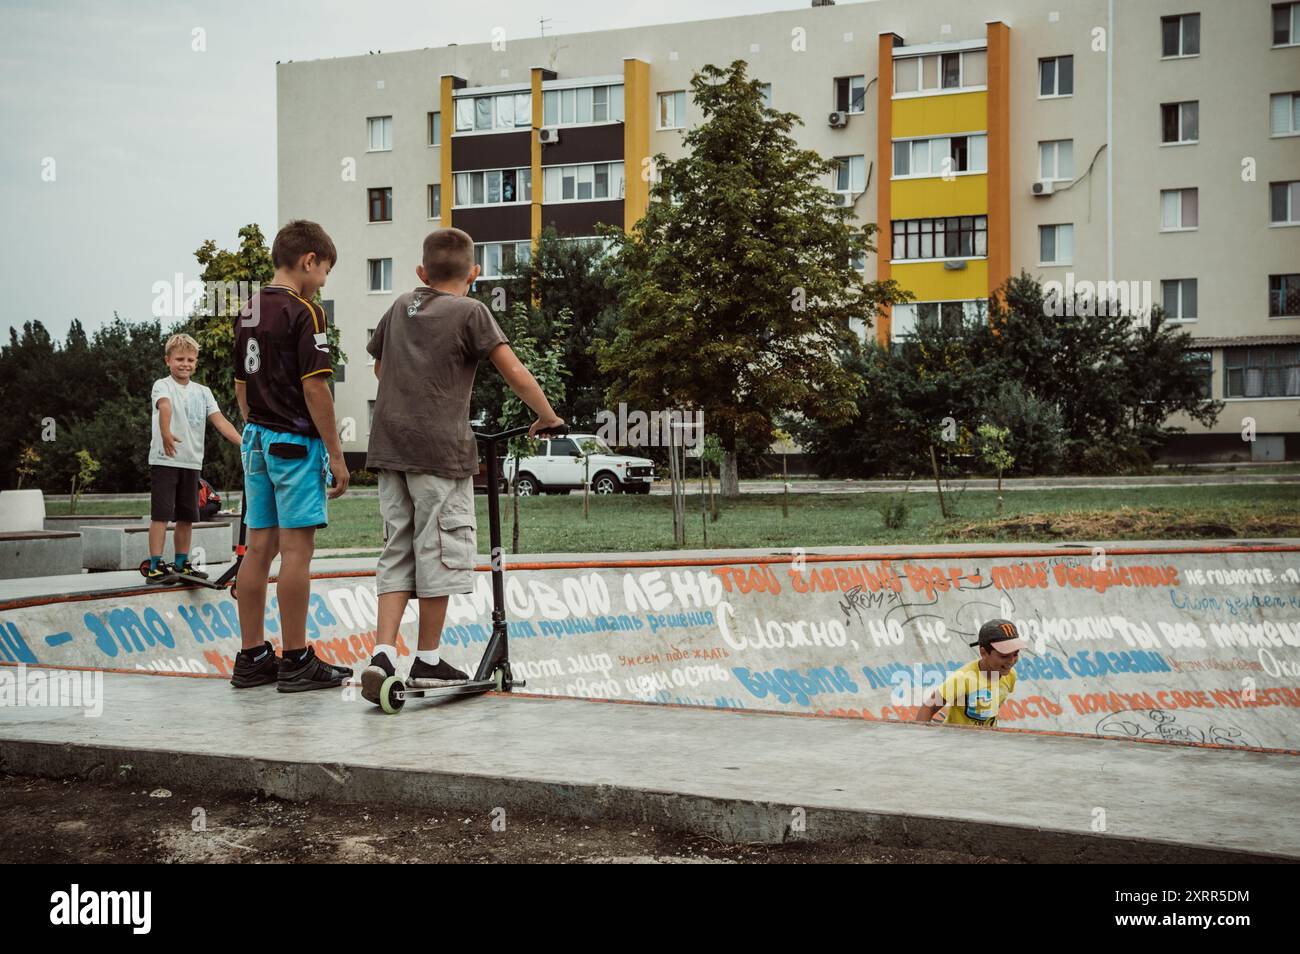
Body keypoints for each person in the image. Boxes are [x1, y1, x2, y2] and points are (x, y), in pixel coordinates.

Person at [359, 227, 564, 704]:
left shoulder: (400, 305)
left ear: (420, 272)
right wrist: (546, 416)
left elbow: (381, 369)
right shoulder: (472, 311)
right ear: (474, 273)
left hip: (390, 450)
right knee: (440, 550)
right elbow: (512, 368)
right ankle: (428, 659)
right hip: (439, 453)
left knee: (398, 548)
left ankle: (382, 655)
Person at [229, 219, 353, 692]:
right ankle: (297, 658)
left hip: (257, 441)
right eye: (324, 271)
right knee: (297, 551)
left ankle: (252, 655)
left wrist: (255, 427)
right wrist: (338, 456)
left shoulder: (247, 309)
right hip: (295, 443)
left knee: (258, 548)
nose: (323, 281)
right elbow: (316, 386)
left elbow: (242, 385)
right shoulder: (306, 312)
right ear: (308, 261)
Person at [145, 333, 242, 584]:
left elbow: (220, 421)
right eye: (179, 359)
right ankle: (155, 565)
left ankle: (181, 563)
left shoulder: (203, 392)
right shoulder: (162, 385)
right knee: (161, 514)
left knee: (188, 516)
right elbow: (165, 406)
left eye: (190, 360)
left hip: (191, 462)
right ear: (168, 360)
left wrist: (244, 442)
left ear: (196, 362)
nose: (185, 364)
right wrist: (165, 432)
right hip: (165, 460)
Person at [913, 618, 1026, 727]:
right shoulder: (963, 678)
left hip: (987, 740)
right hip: (958, 741)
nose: (1011, 661)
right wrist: (920, 740)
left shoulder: (1010, 675)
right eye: (1004, 656)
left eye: (1015, 654)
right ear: (984, 653)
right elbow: (929, 707)